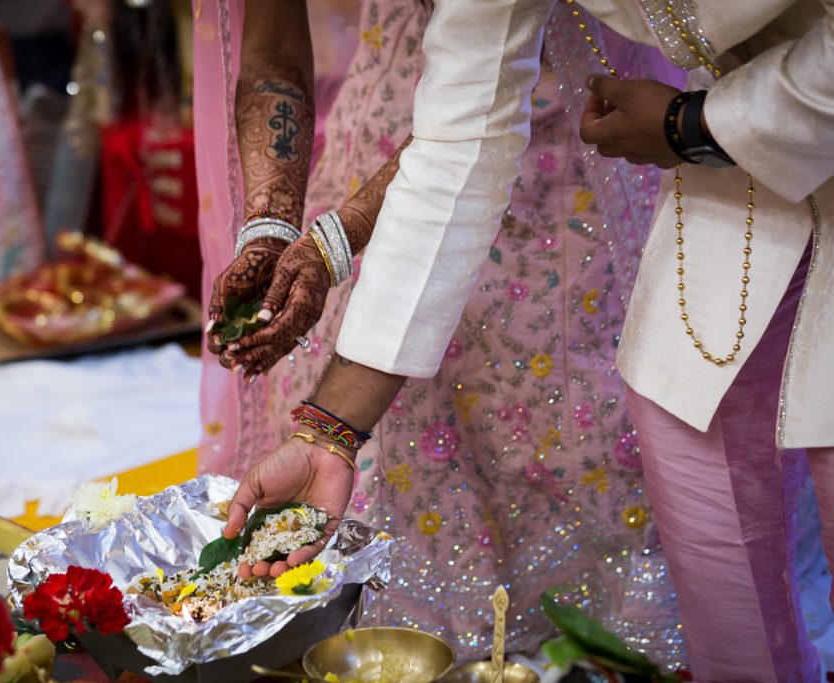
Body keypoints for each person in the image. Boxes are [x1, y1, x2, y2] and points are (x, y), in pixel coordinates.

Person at [207, 0, 834, 681]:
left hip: (706, 128)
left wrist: (696, 123)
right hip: (719, 180)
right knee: (715, 549)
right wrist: (330, 429)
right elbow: (461, 139)